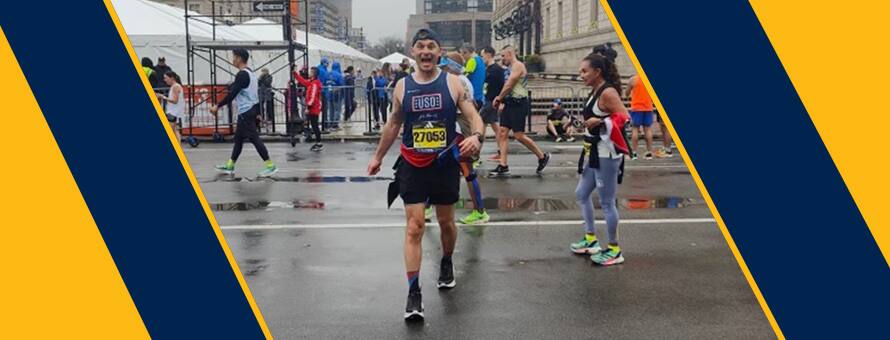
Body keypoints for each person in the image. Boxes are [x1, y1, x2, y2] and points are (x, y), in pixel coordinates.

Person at [367, 28, 483, 322]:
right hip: (412, 164)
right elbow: (394, 124)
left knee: (446, 222)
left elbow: (472, 116)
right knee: (414, 227)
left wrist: (478, 136)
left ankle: (446, 261)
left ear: (439, 52)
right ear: (414, 52)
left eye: (432, 46)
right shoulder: (402, 87)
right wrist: (378, 157)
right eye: (421, 47)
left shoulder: (454, 83)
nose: (426, 51)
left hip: (444, 163)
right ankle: (414, 292)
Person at [570, 52, 630, 266]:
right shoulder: (595, 91)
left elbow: (624, 118)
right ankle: (590, 239)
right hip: (592, 152)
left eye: (584, 71)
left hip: (607, 154)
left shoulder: (608, 92)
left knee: (606, 202)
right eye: (580, 71)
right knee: (581, 193)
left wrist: (600, 123)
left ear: (598, 72)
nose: (581, 75)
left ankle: (614, 249)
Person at [440, 52, 490, 225]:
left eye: (445, 66)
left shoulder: (458, 81)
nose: (443, 69)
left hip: (459, 130)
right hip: (455, 129)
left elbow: (468, 108)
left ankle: (480, 211)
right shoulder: (460, 79)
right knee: (439, 166)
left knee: (466, 170)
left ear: (452, 67)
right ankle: (427, 205)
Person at [211, 48, 278, 177]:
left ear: (240, 58)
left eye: (234, 57)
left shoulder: (242, 74)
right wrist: (258, 111)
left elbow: (232, 94)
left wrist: (217, 106)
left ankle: (270, 165)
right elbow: (255, 94)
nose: (232, 60)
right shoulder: (251, 74)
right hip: (250, 110)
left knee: (254, 138)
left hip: (246, 111)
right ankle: (230, 165)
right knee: (238, 139)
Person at [489, 45, 550, 177]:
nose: (502, 59)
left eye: (503, 56)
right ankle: (503, 165)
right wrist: (503, 102)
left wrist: (499, 98)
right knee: (503, 133)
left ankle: (542, 156)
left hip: (519, 104)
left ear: (510, 54)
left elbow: (510, 84)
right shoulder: (509, 68)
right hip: (510, 104)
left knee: (518, 135)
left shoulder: (518, 66)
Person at [626, 73, 661, 159]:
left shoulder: (633, 79)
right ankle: (649, 152)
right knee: (648, 129)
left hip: (636, 107)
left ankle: (634, 153)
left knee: (635, 129)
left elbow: (626, 93)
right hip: (648, 107)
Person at [480, 46, 504, 161]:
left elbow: (501, 85)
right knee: (495, 127)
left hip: (491, 102)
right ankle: (501, 152)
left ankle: (475, 154)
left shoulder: (496, 69)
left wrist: (500, 100)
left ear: (488, 54)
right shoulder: (488, 69)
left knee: (480, 127)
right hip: (489, 100)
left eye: (482, 55)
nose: (481, 57)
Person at [294, 66, 324, 152]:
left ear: (314, 74)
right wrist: (295, 73)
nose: (309, 73)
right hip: (312, 107)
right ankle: (314, 140)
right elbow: (303, 81)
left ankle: (319, 143)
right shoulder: (311, 82)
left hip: (313, 108)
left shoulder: (314, 83)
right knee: (312, 124)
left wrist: (308, 107)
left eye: (311, 72)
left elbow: (313, 96)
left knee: (314, 126)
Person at [156, 71, 184, 143]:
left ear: (171, 78)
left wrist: (163, 97)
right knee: (175, 131)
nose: (165, 80)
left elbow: (175, 101)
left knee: (171, 131)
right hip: (173, 112)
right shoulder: (175, 86)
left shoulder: (175, 86)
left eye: (166, 78)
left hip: (173, 112)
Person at [459, 45, 486, 109]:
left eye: (462, 54)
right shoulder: (481, 60)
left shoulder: (472, 61)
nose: (462, 57)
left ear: (466, 52)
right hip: (480, 96)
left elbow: (465, 78)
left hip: (473, 96)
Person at [327, 61, 345, 130]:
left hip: (329, 94)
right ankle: (335, 124)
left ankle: (331, 123)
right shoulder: (339, 75)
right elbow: (342, 85)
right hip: (337, 95)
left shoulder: (328, 74)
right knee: (337, 110)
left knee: (331, 110)